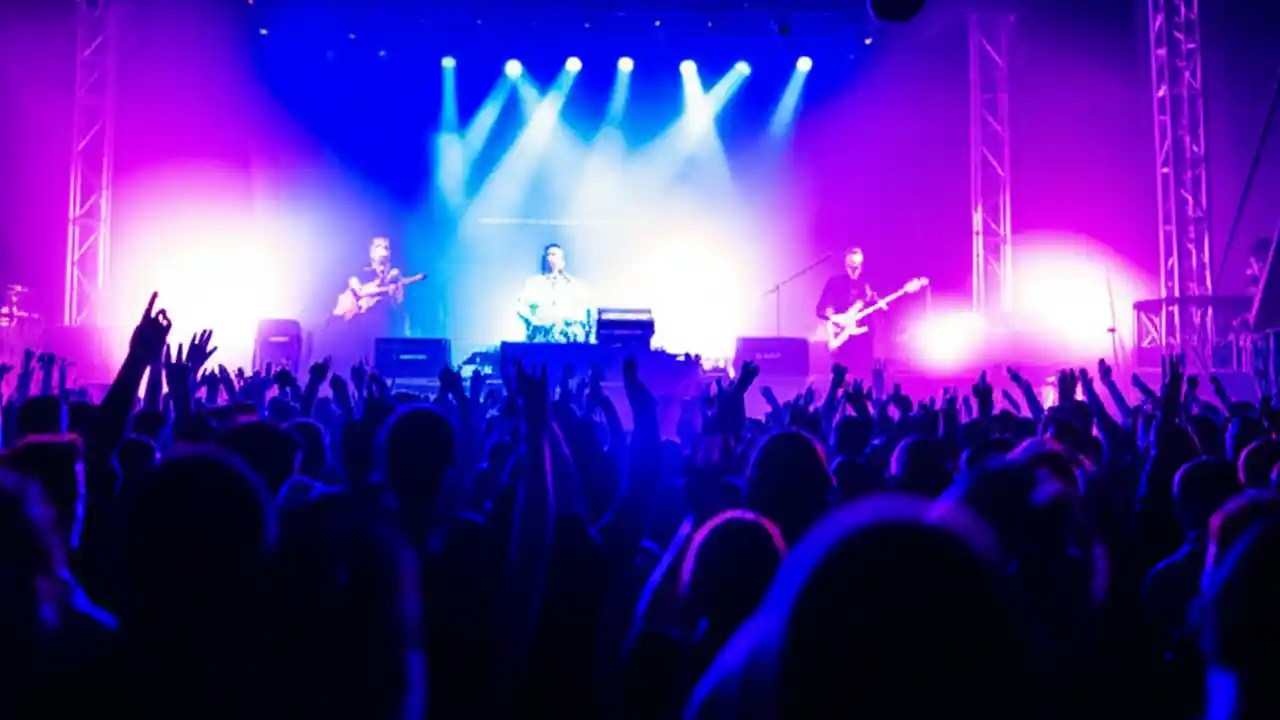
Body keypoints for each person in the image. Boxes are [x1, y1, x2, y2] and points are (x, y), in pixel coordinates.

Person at [816, 247, 879, 371]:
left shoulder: (869, 284)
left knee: (863, 380)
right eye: (851, 267)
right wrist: (832, 315)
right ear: (845, 265)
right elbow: (821, 308)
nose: (855, 271)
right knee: (839, 381)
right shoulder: (834, 282)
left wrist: (875, 300)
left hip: (863, 340)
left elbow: (883, 310)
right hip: (841, 340)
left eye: (858, 266)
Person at [516, 243, 592, 343]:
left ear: (562, 261)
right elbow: (527, 307)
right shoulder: (533, 284)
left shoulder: (575, 286)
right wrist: (536, 320)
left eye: (554, 255)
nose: (550, 259)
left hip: (567, 342)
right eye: (548, 255)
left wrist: (568, 324)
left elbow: (582, 313)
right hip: (540, 340)